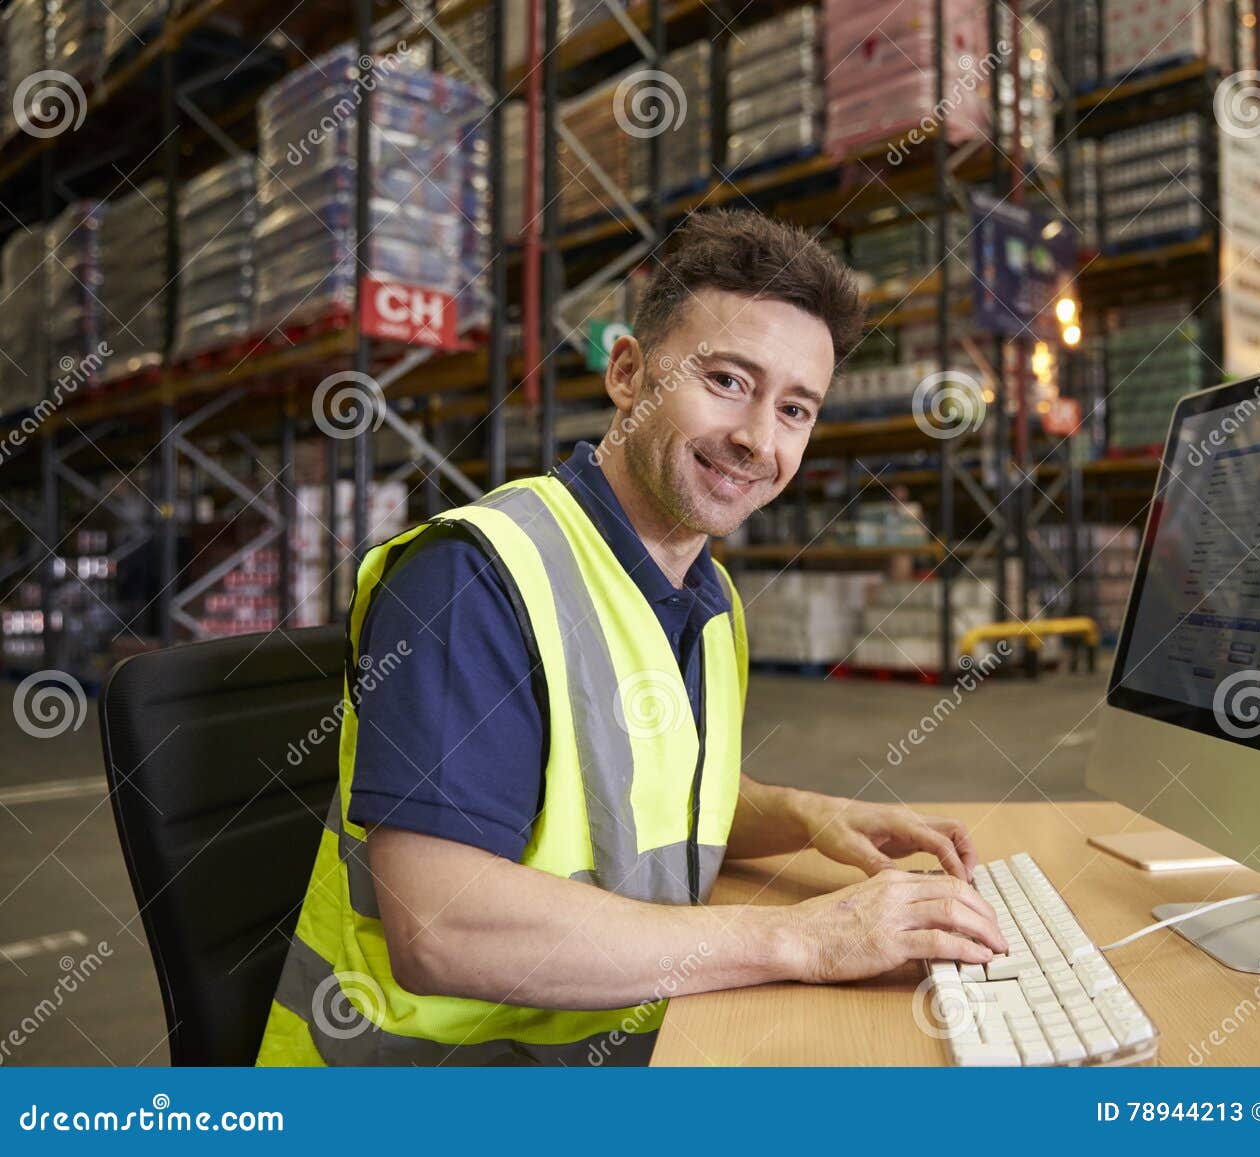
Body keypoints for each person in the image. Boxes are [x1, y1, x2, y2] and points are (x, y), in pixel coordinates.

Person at [256, 209, 1005, 1067]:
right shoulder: (476, 579)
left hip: (617, 1037)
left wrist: (808, 815)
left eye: (795, 408)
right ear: (627, 373)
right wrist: (800, 936)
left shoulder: (708, 597)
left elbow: (650, 795)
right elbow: (441, 925)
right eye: (727, 379)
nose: (759, 438)